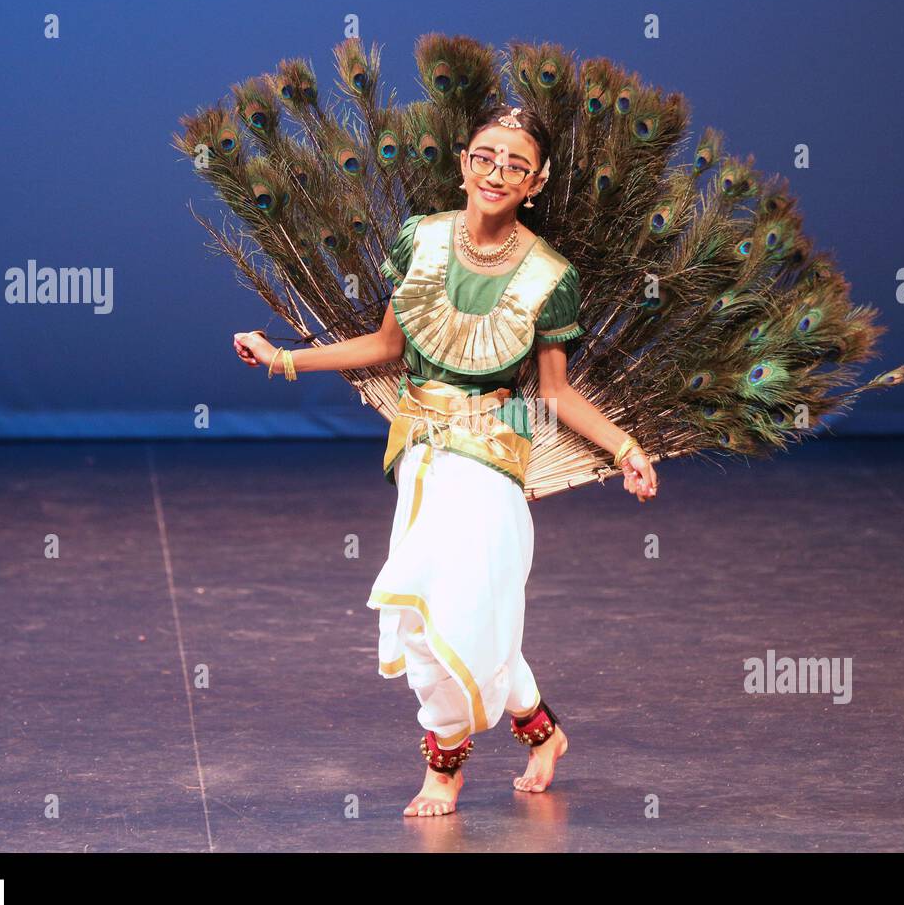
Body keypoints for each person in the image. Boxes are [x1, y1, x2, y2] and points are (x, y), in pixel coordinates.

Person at [233, 104, 660, 817]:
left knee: (435, 604)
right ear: (464, 161)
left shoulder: (551, 275)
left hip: (495, 446)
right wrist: (286, 359)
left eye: (515, 165)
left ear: (537, 182)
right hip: (422, 445)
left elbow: (554, 392)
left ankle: (445, 770)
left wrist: (625, 448)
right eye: (485, 157)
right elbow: (385, 348)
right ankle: (542, 734)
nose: (497, 173)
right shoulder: (421, 240)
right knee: (466, 608)